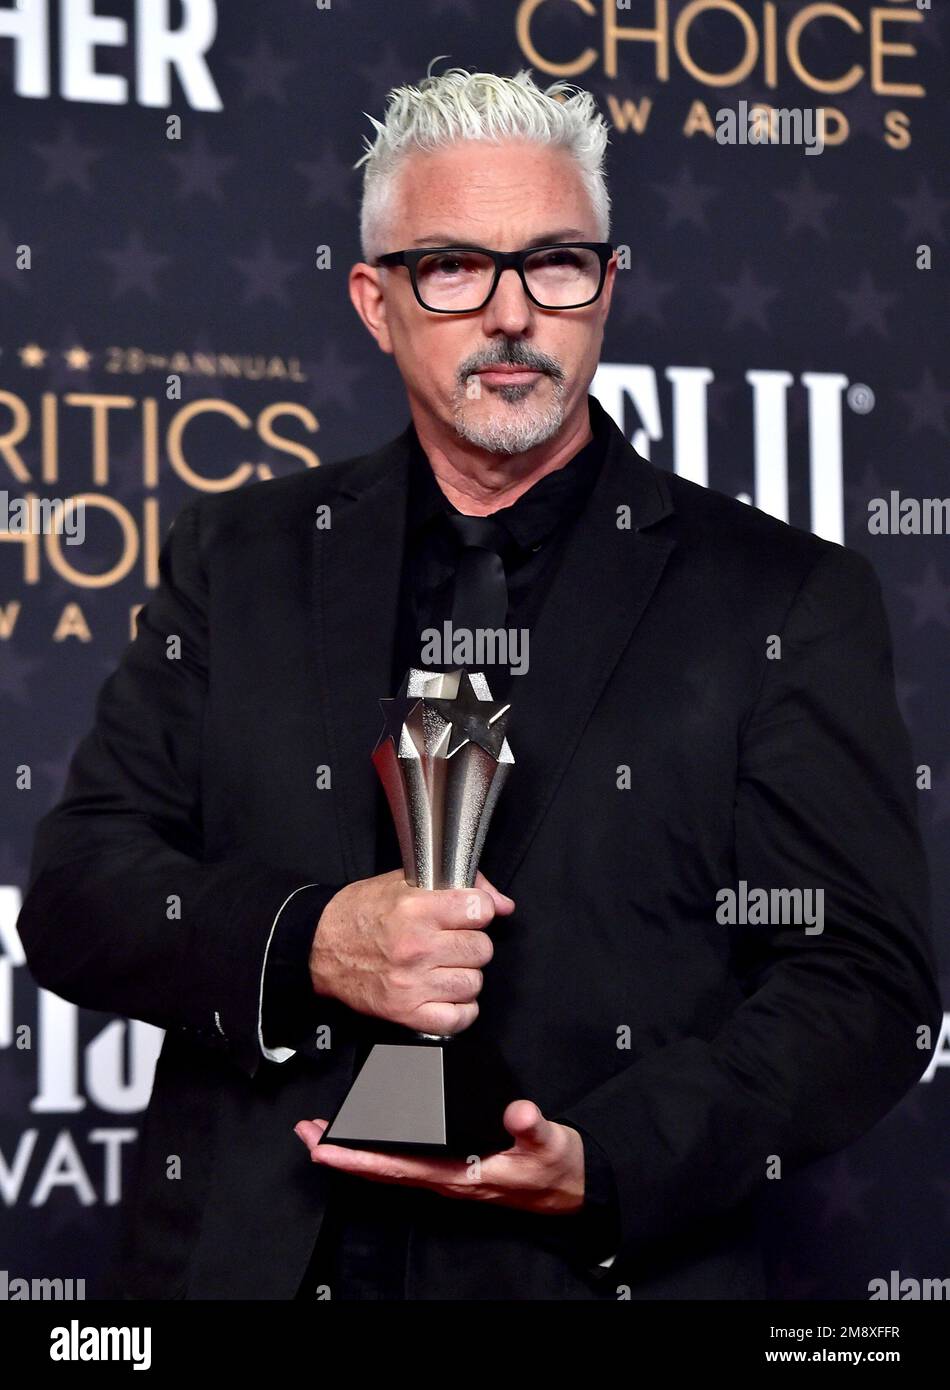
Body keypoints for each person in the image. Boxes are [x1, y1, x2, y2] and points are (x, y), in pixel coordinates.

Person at [18, 66, 940, 1301]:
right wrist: (313, 943)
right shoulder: (238, 560)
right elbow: (80, 892)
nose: (510, 313)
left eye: (553, 262)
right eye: (452, 266)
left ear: (607, 286)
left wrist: (604, 1160)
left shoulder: (780, 598)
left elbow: (863, 985)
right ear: (373, 299)